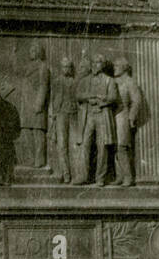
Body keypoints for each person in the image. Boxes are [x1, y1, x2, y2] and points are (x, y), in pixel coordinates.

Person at [78, 54, 118, 185]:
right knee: (85, 145)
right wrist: (89, 97)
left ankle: (100, 178)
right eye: (93, 62)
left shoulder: (109, 80)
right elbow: (78, 95)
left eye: (98, 63)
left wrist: (102, 100)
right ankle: (83, 176)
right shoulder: (85, 80)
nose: (95, 65)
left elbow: (113, 97)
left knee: (102, 147)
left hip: (102, 115)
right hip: (88, 115)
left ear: (103, 64)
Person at [110, 58, 146, 186]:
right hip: (112, 116)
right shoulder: (114, 81)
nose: (114, 67)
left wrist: (131, 117)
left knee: (122, 146)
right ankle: (120, 176)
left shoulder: (130, 82)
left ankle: (128, 177)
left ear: (124, 67)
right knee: (114, 146)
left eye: (117, 65)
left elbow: (137, 101)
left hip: (123, 116)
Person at [49, 57, 78, 183]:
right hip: (60, 115)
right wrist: (53, 115)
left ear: (71, 68)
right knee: (62, 145)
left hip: (73, 115)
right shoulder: (56, 82)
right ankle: (66, 174)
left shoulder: (76, 82)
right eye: (64, 66)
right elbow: (52, 99)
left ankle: (76, 173)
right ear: (61, 68)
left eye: (68, 66)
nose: (66, 69)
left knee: (74, 145)